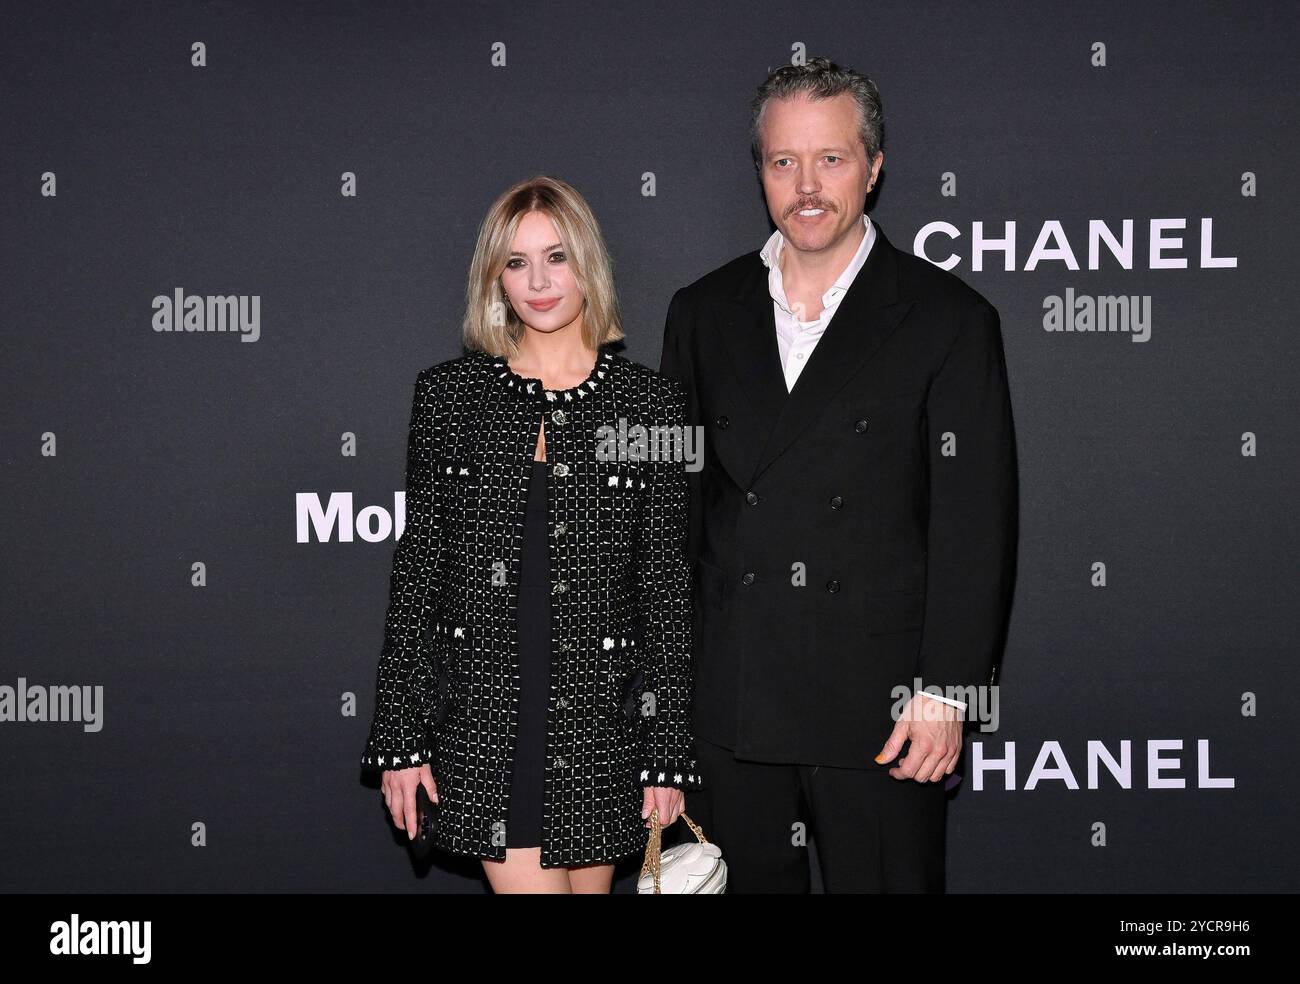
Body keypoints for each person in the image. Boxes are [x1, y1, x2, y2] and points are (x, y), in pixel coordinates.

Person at [657, 56, 1018, 892]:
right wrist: (664, 707)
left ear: (875, 167)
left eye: (832, 158)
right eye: (784, 161)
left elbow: (976, 524)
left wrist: (949, 692)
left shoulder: (949, 320)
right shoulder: (703, 311)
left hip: (884, 709)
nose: (807, 184)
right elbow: (673, 516)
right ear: (761, 173)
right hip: (733, 698)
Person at [360, 175, 701, 893]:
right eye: (516, 262)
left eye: (557, 257)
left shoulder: (651, 404)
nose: (539, 282)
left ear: (589, 266)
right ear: (495, 278)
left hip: (602, 727)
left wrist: (667, 748)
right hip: (488, 726)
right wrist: (398, 737)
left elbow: (665, 584)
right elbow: (420, 567)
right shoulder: (450, 398)